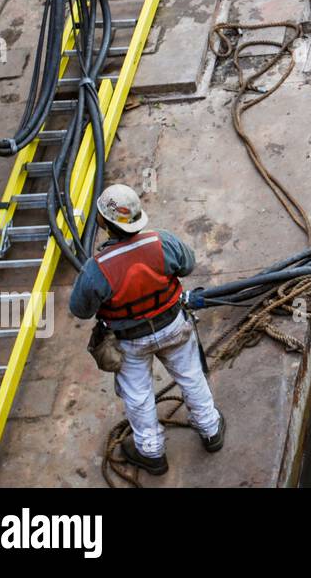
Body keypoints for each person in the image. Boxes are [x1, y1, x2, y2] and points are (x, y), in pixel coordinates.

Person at [70, 183, 224, 475]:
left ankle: (152, 453)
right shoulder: (161, 242)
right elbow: (187, 264)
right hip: (173, 327)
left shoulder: (96, 267)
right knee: (191, 376)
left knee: (138, 395)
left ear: (104, 222)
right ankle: (210, 429)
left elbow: (80, 309)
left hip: (130, 342)